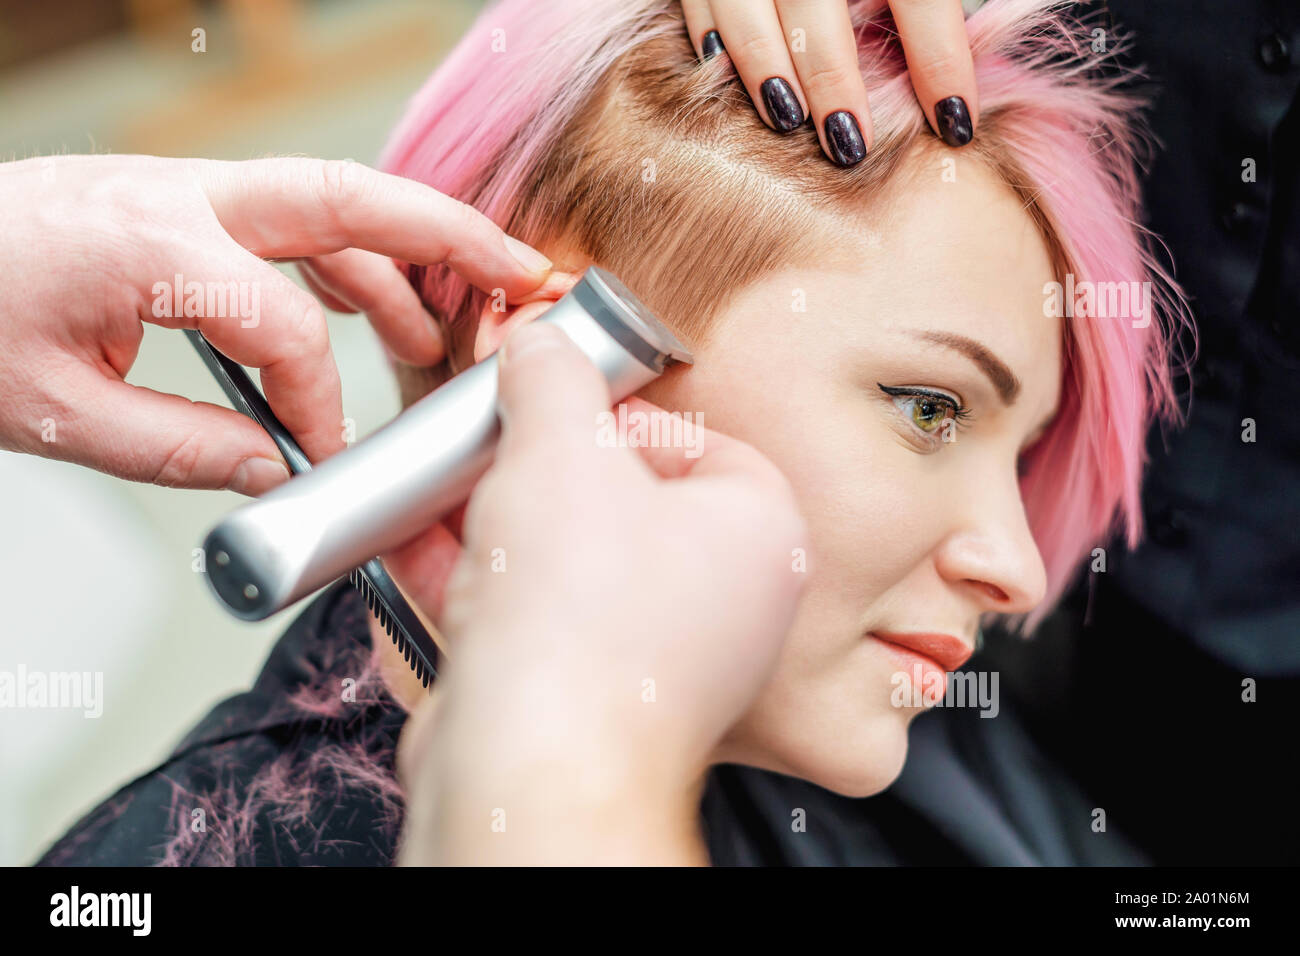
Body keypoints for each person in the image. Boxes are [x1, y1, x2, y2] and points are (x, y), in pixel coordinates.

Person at [28, 0, 1183, 865]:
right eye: (929, 409)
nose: (1018, 563)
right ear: (553, 357)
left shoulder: (882, 753)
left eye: (1018, 452)